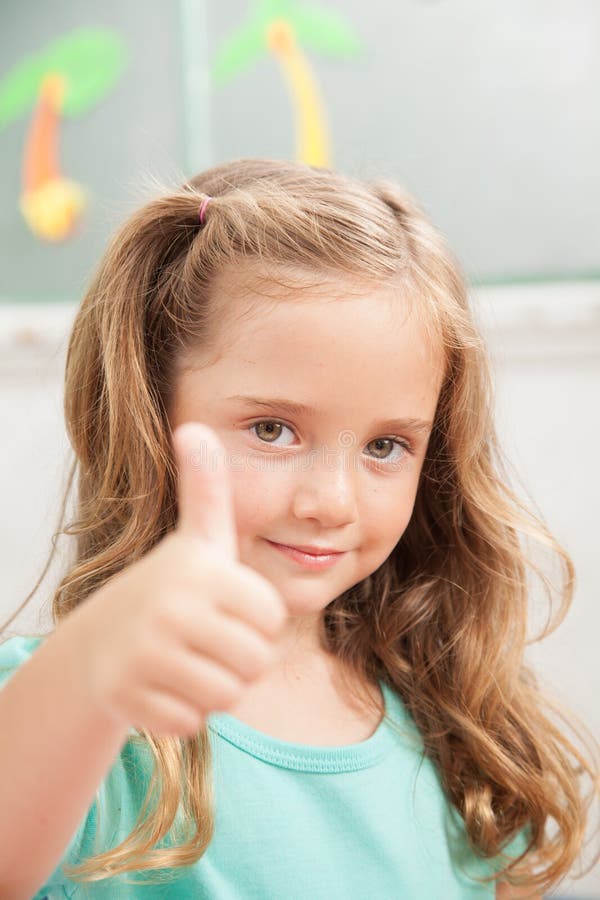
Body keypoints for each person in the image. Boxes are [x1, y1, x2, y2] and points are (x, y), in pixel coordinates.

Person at [0, 159, 596, 899]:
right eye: (273, 429)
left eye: (386, 446)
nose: (333, 501)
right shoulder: (69, 706)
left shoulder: (457, 732)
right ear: (149, 413)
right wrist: (96, 656)